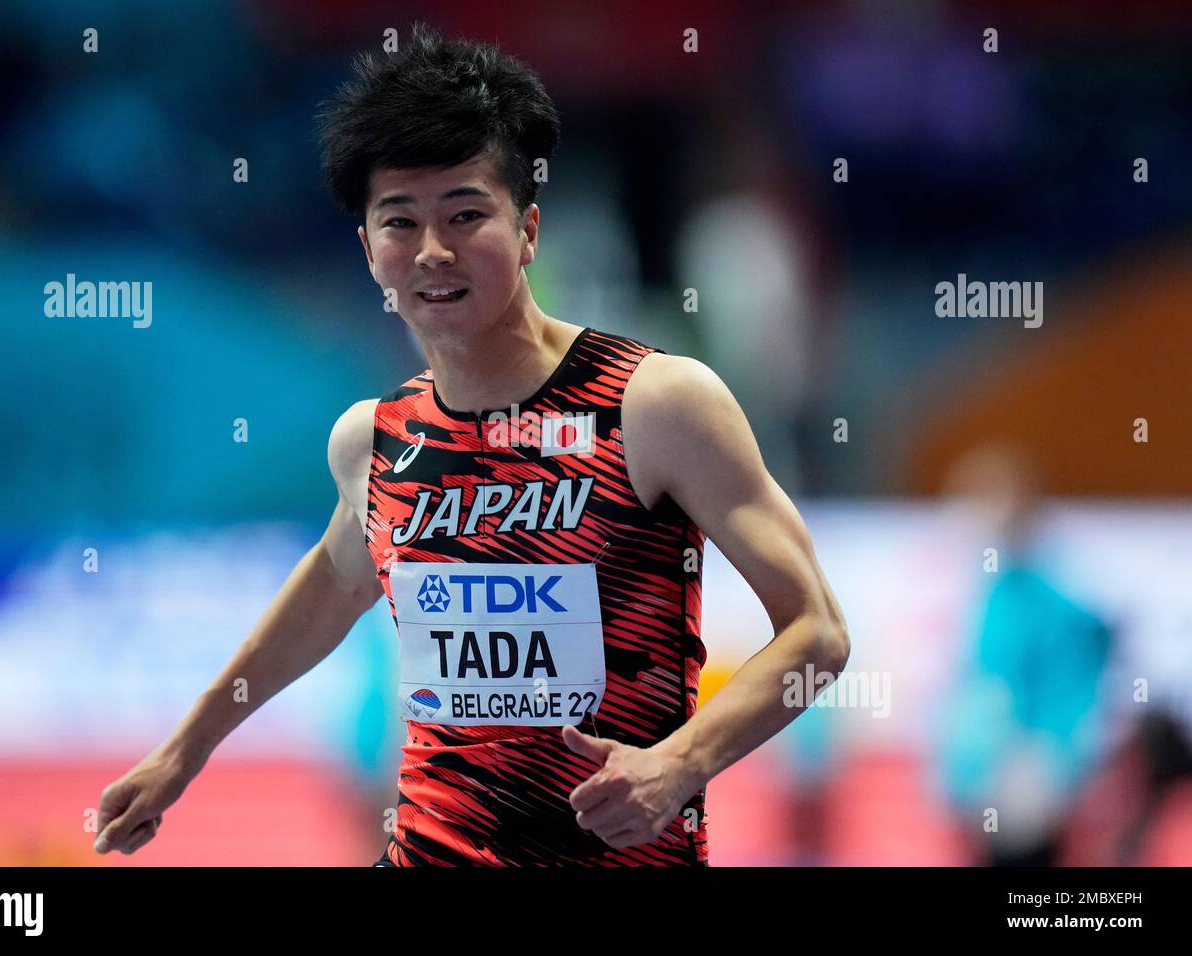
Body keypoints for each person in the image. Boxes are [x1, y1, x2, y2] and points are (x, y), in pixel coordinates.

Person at [94, 22, 849, 866]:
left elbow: (817, 633)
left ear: (529, 231)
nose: (433, 252)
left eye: (465, 214)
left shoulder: (656, 405)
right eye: (400, 222)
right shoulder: (372, 441)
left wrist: (677, 765)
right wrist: (179, 754)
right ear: (367, 247)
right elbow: (329, 592)